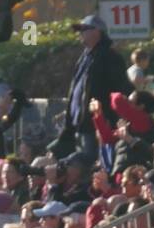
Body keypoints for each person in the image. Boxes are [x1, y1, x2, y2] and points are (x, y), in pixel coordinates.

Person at [52, 14, 130, 164]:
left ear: (97, 32)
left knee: (87, 162)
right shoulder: (85, 57)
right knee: (66, 160)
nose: (80, 33)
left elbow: (119, 90)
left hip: (95, 125)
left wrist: (108, 119)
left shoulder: (110, 57)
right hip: (78, 125)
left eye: (84, 29)